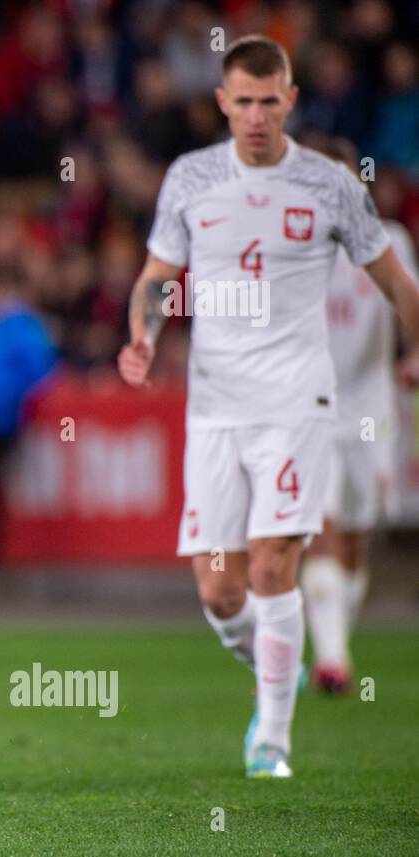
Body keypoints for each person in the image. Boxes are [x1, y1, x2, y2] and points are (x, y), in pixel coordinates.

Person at [117, 36, 419, 778]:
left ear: (289, 100)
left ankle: (273, 741)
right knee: (220, 587)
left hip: (297, 399)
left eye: (268, 100)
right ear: (223, 103)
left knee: (273, 562)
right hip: (216, 404)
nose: (255, 115)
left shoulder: (330, 185)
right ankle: (276, 662)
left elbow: (395, 279)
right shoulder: (190, 178)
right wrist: (143, 335)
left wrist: (415, 347)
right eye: (242, 102)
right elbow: (158, 275)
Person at [302, 141, 419, 694]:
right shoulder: (293, 248)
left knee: (355, 538)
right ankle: (331, 659)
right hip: (309, 408)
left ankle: (334, 642)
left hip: (371, 409)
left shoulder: (386, 242)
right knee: (319, 530)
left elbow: (407, 298)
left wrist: (414, 352)